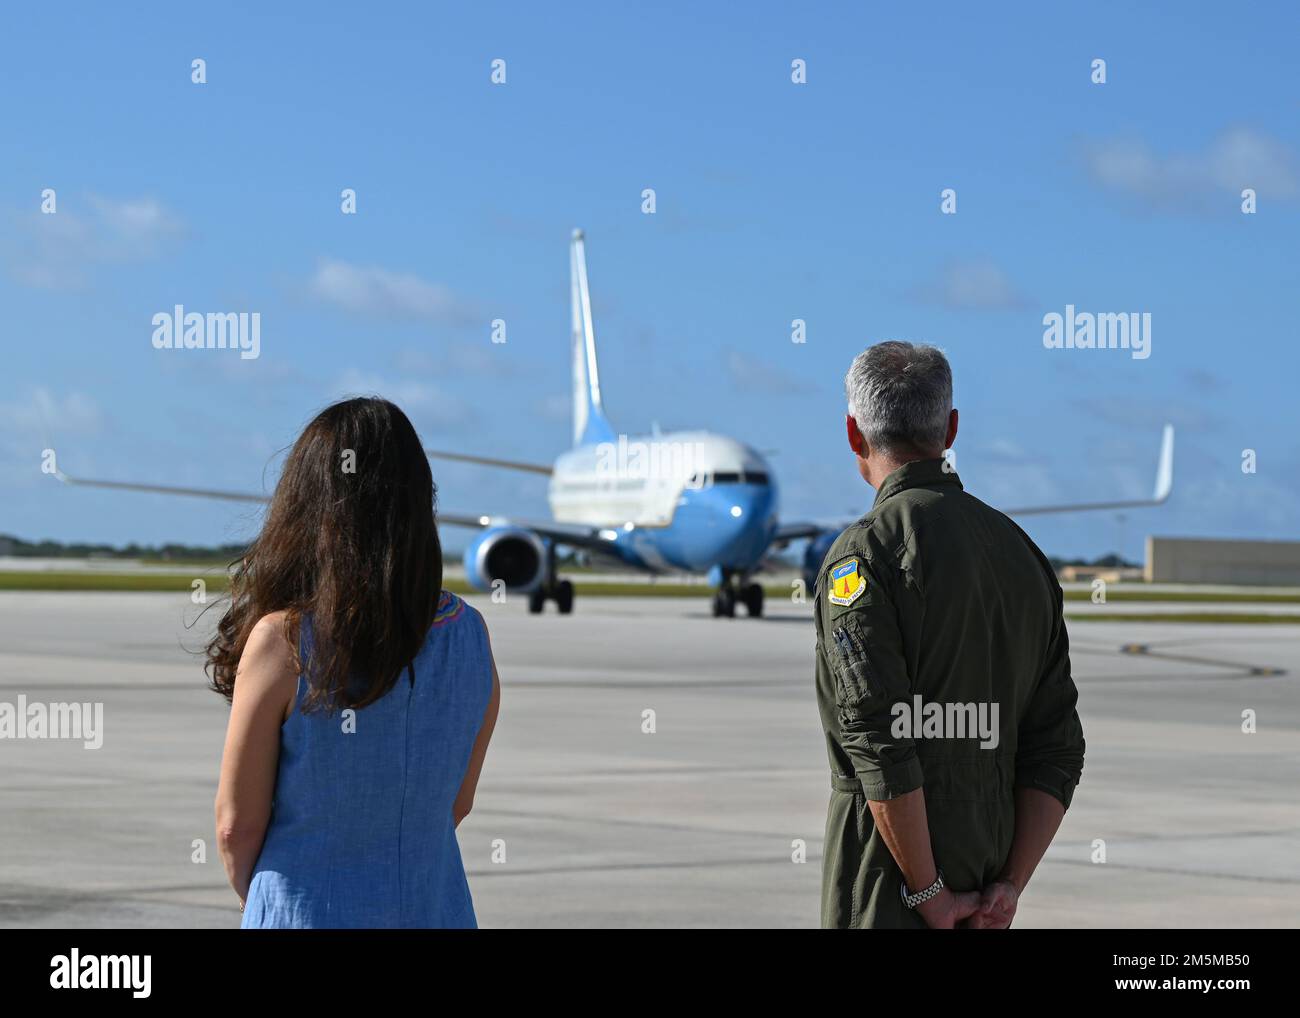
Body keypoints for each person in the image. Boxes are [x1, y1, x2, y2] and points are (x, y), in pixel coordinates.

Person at [814, 341, 1085, 929]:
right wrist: (1008, 888)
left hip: (887, 886)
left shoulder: (862, 556)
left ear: (854, 434)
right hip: (989, 890)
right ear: (951, 428)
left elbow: (879, 739)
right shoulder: (1024, 556)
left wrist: (927, 893)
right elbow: (1057, 748)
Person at [211, 397, 500, 928]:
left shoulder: (284, 640)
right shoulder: (470, 636)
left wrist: (280, 905)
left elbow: (236, 829)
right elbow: (455, 806)